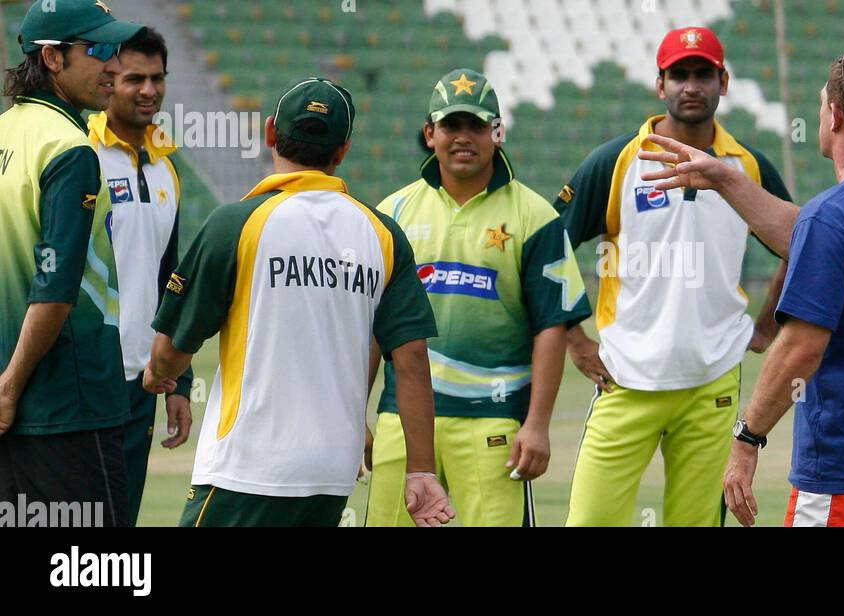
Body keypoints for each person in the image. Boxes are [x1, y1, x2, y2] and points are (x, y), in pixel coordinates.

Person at [642, 48, 844, 527]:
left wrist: (747, 438)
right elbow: (824, 239)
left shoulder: (832, 217)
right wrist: (726, 179)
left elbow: (800, 349)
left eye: (820, 104)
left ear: (835, 115)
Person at [144, 77, 454, 527]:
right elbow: (410, 360)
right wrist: (421, 471)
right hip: (330, 475)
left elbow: (170, 352)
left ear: (270, 132)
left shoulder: (237, 224)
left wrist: (158, 374)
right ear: (343, 150)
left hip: (246, 469)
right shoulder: (383, 235)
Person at [557, 26, 792, 526]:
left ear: (723, 82)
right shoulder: (615, 162)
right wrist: (574, 340)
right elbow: (547, 249)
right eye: (679, 74)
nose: (691, 85)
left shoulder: (746, 165)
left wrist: (769, 324)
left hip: (713, 381)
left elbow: (800, 244)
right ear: (659, 84)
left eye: (703, 74)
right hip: (625, 379)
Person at [365, 69, 592, 527]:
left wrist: (537, 424)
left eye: (477, 126)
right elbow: (371, 326)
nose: (463, 138)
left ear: (498, 133)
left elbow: (550, 327)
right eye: (451, 126)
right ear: (430, 133)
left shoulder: (536, 216)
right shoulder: (392, 213)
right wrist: (356, 416)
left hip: (494, 425)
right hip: (402, 422)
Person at [0, 0, 143, 528]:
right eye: (100, 49)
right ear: (53, 59)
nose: (115, 66)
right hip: (68, 402)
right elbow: (56, 289)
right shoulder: (69, 148)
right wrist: (10, 387)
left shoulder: (6, 131)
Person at [87, 26, 194, 526]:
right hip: (83, 377)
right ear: (109, 79)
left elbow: (170, 279)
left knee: (121, 519)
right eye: (135, 79)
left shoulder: (166, 167)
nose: (149, 90)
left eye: (157, 78)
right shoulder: (79, 153)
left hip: (141, 381)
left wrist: (178, 380)